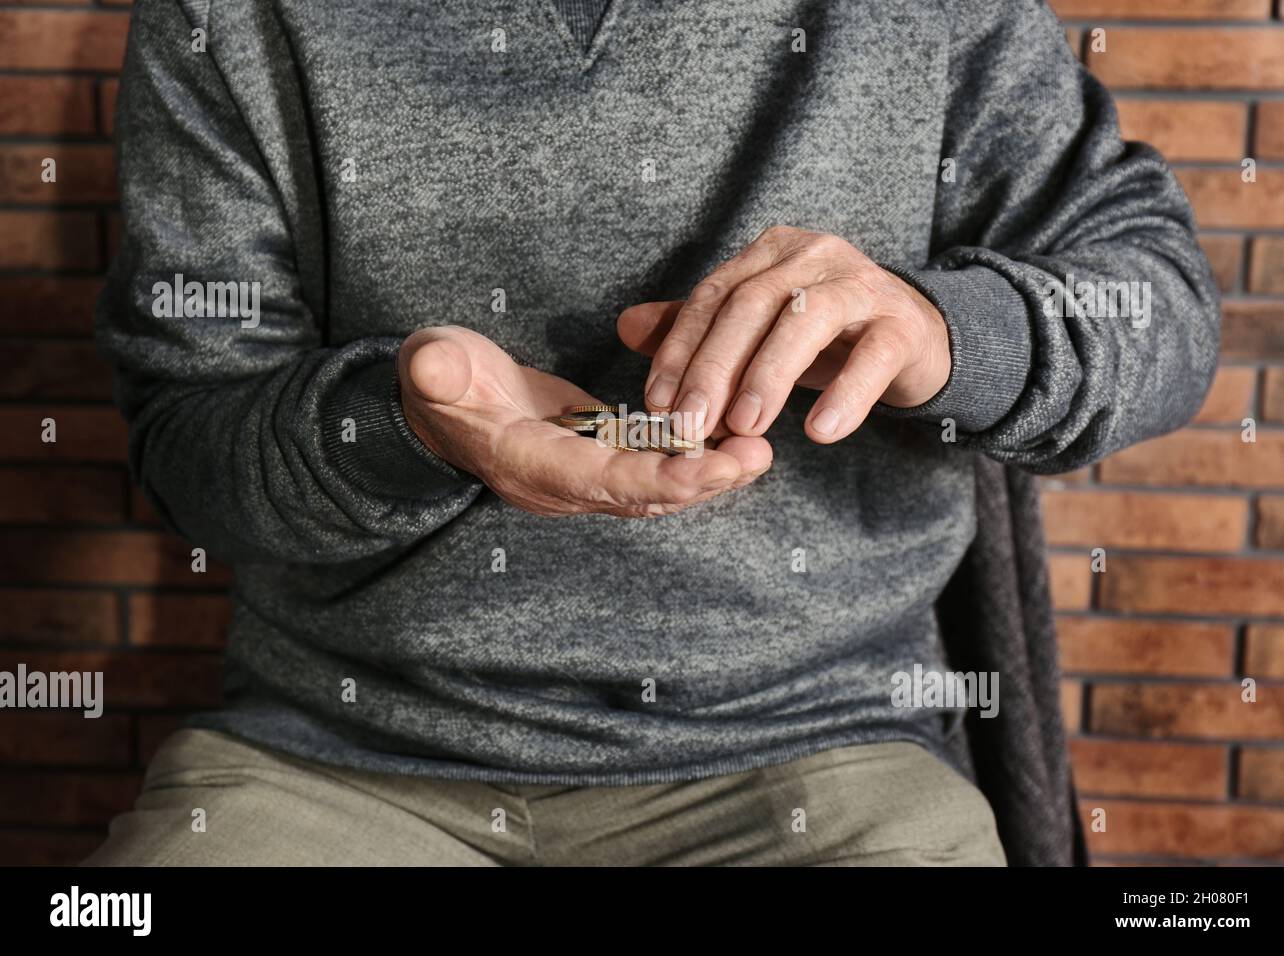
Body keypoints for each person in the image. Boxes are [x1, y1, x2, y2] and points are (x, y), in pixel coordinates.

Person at [87, 0, 1219, 866]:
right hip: (339, 757)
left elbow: (1161, 308)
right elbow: (187, 444)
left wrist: (941, 331)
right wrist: (396, 426)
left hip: (815, 749)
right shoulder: (226, 20)